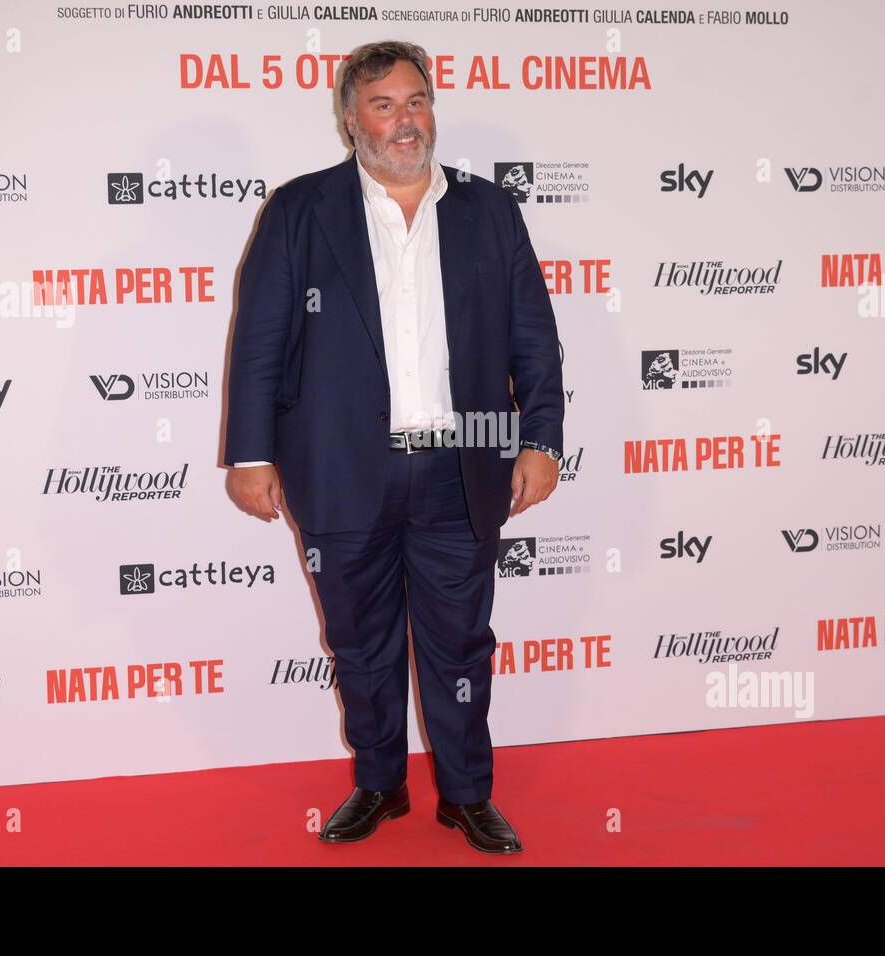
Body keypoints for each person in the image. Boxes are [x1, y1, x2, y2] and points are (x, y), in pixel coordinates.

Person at [224, 40, 563, 855]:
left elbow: (534, 341)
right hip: (340, 470)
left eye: (416, 101)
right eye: (383, 105)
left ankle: (467, 794)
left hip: (462, 468)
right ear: (350, 121)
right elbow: (261, 340)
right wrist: (250, 453)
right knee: (359, 644)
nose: (405, 121)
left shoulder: (490, 211)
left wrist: (543, 439)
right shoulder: (301, 211)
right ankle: (379, 784)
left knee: (461, 645)